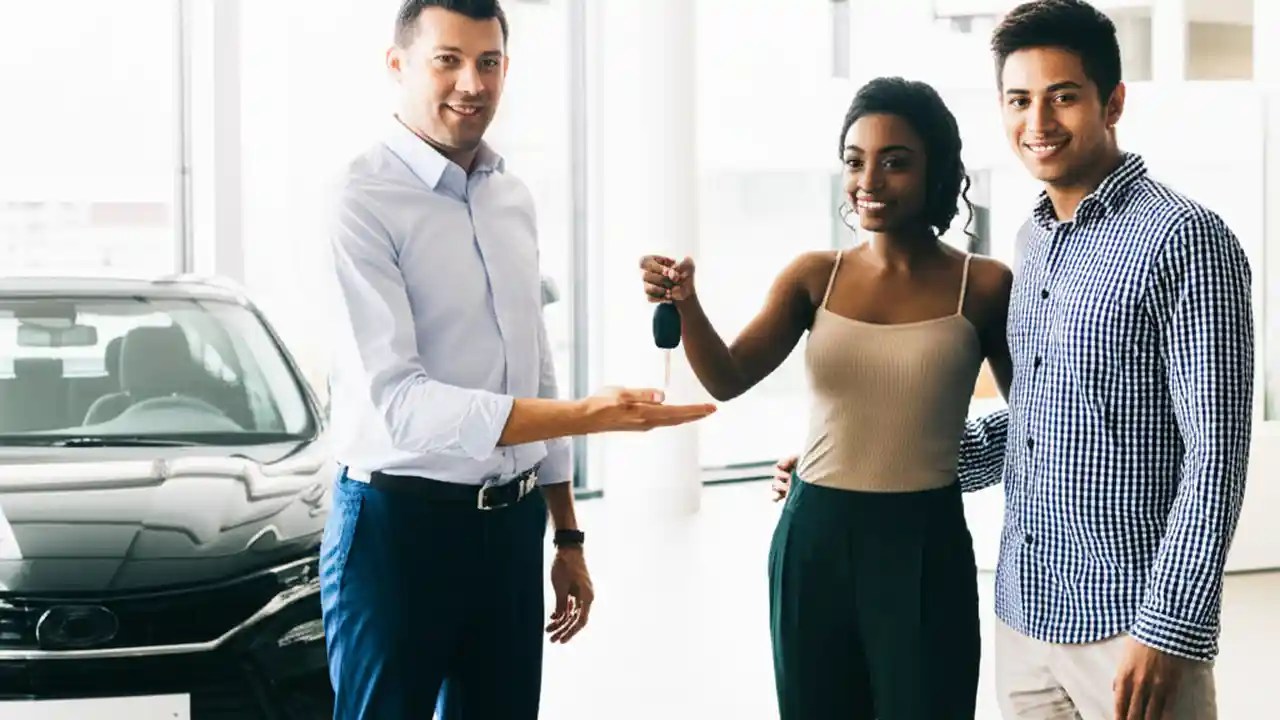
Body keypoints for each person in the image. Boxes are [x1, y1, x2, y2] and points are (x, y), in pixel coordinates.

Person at [775, 2, 1255, 718]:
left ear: (1113, 101)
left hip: (1129, 623)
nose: (1039, 122)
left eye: (1063, 96)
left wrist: (1172, 628)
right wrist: (884, 450)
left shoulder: (1185, 238)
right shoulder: (1032, 246)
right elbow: (1039, 415)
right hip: (1024, 611)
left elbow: (1215, 452)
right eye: (1019, 100)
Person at [318, 2, 716, 718]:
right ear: (397, 65)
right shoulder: (361, 198)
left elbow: (534, 368)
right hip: (396, 529)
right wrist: (590, 416)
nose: (472, 82)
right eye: (448, 59)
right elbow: (400, 402)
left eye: (489, 61)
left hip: (508, 531)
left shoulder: (511, 198)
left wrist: (567, 534)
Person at [640, 77, 1014, 719]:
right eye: (854, 160)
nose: (868, 179)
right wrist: (686, 302)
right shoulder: (815, 275)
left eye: (895, 161)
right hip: (815, 536)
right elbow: (727, 377)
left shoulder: (984, 285)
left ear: (940, 171)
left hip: (926, 541)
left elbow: (1040, 422)